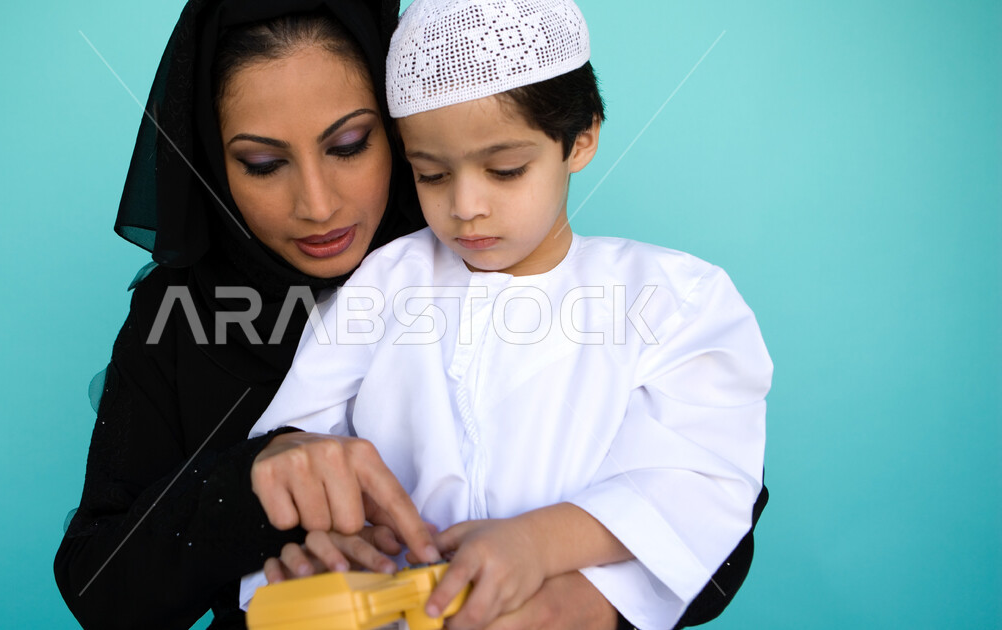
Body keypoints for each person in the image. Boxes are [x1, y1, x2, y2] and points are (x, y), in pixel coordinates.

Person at [54, 1, 764, 628]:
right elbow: (104, 580)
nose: (319, 205)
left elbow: (711, 495)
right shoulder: (225, 311)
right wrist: (271, 510)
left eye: (350, 145)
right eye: (264, 163)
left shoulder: (644, 292)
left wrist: (582, 595)